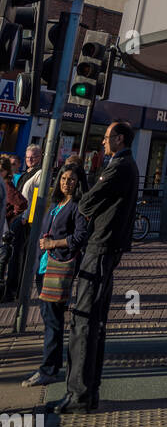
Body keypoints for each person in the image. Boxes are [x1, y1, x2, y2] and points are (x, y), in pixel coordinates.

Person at [53, 120, 140, 414]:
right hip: (107, 247)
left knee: (84, 321)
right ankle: (87, 391)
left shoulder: (119, 166)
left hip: (101, 247)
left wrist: (89, 204)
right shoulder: (125, 165)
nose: (102, 143)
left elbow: (87, 204)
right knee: (94, 322)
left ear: (118, 138)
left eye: (105, 138)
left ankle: (79, 394)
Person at [21, 166, 89, 387]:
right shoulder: (55, 204)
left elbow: (80, 237)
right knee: (49, 317)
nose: (66, 183)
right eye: (63, 178)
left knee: (53, 320)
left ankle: (48, 369)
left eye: (71, 180)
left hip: (59, 267)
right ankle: (51, 365)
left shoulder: (76, 207)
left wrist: (53, 243)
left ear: (78, 183)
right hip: (44, 266)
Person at [0, 154, 28, 300]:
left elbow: (22, 202)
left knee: (5, 262)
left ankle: (7, 293)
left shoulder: (5, 184)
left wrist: (12, 215)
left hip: (5, 229)